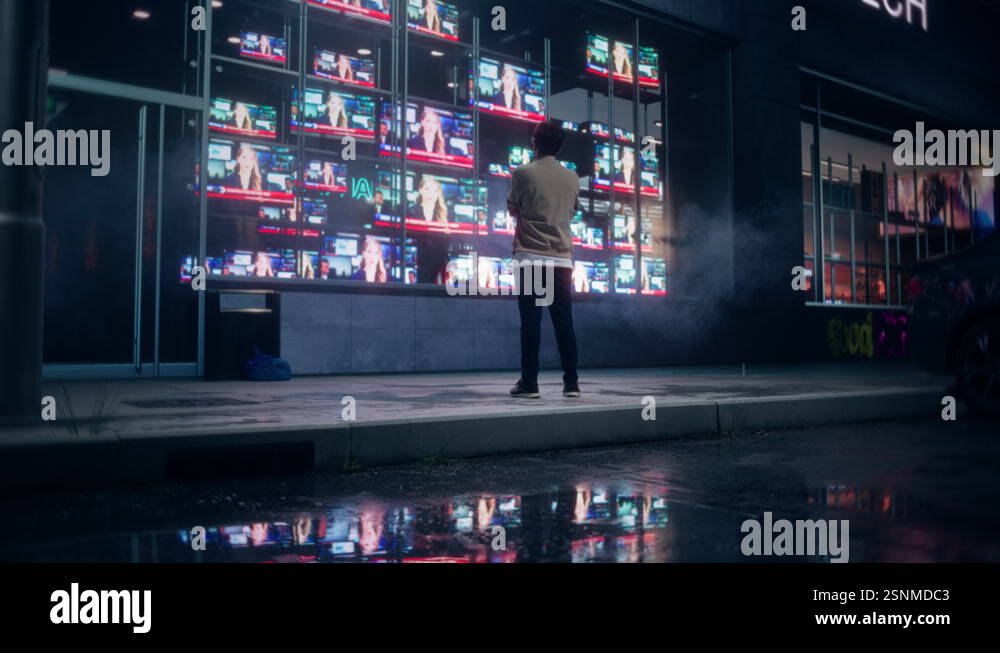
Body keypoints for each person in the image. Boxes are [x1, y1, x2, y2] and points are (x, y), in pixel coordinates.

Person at [507, 119, 581, 398]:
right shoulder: (572, 177)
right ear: (560, 147)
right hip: (562, 260)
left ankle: (530, 384)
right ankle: (572, 384)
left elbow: (514, 209)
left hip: (531, 257)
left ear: (533, 143)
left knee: (531, 322)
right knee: (565, 324)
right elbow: (571, 212)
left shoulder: (523, 173)